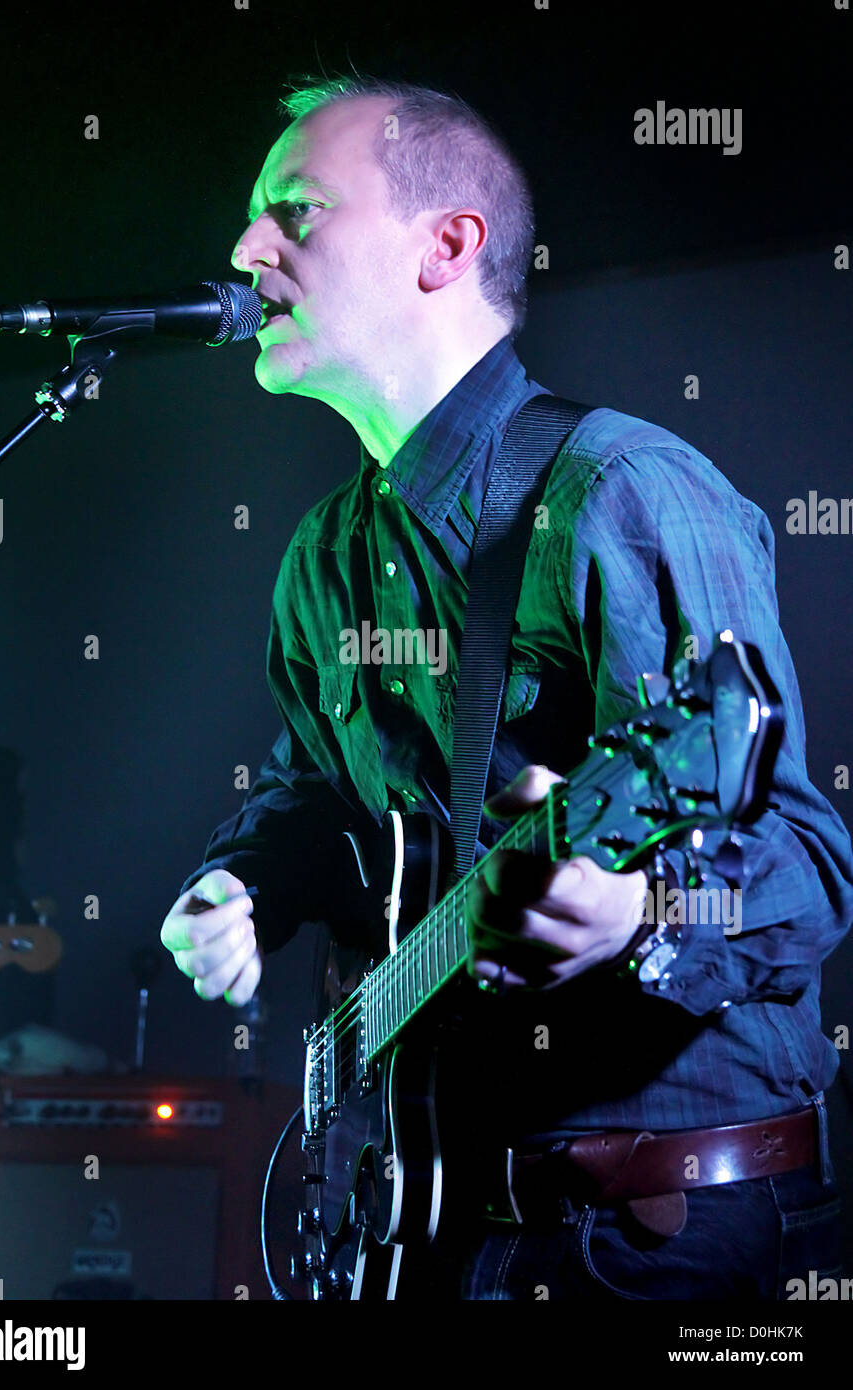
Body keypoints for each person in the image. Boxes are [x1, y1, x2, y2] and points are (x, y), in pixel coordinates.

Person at [160, 76, 853, 1300]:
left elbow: (807, 867)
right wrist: (244, 888)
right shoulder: (323, 559)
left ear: (447, 245)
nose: (243, 249)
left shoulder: (621, 490)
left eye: (296, 211)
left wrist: (646, 916)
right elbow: (317, 802)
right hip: (440, 1218)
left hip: (662, 1231)